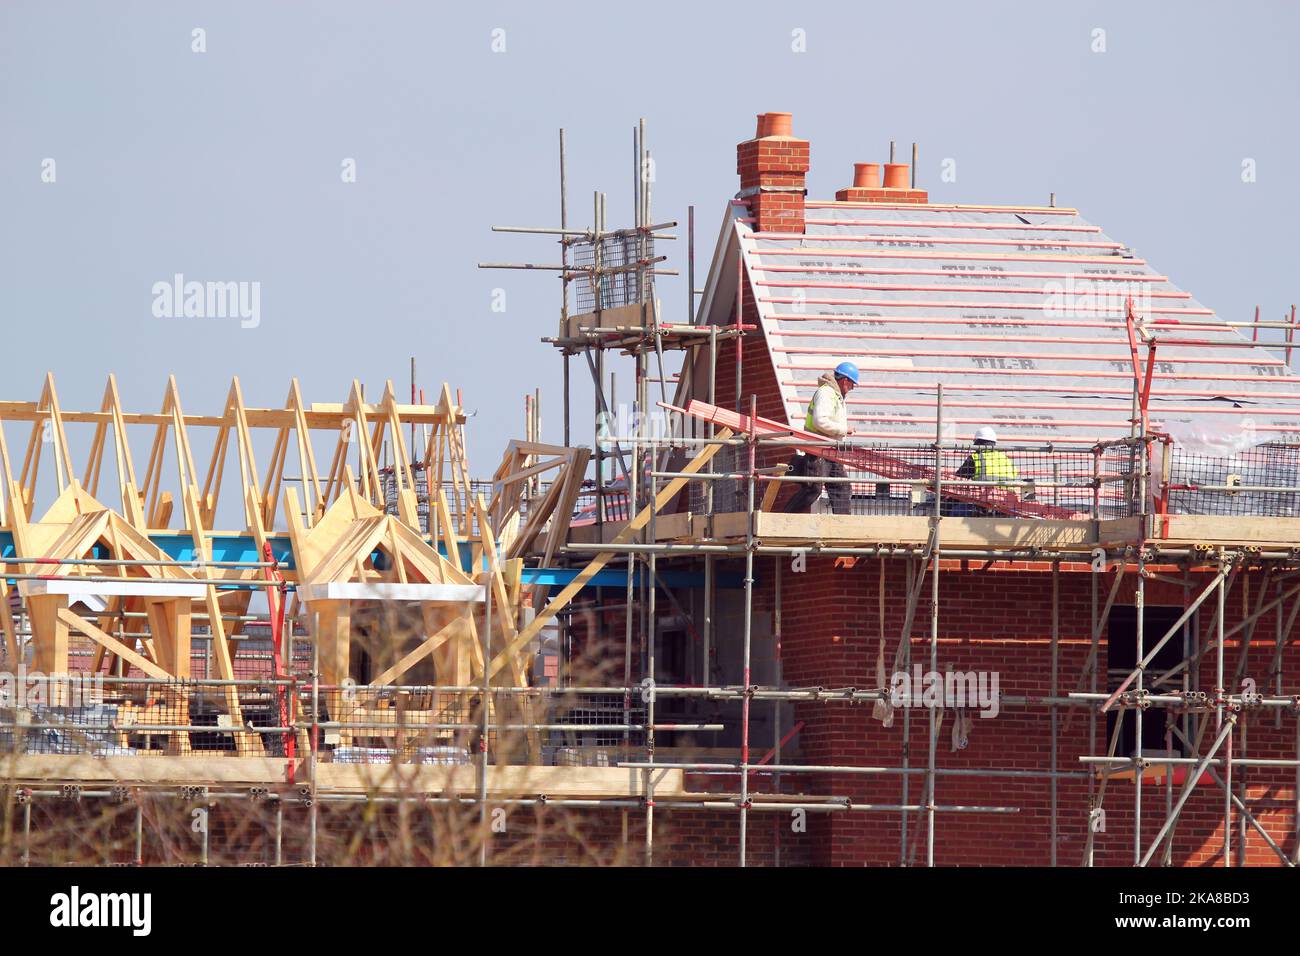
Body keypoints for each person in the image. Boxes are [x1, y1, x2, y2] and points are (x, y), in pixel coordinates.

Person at [783, 361, 858, 514]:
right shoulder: (826, 393)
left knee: (842, 489)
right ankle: (784, 519)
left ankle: (842, 529)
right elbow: (820, 421)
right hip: (818, 450)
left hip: (831, 451)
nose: (853, 388)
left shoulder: (835, 395)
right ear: (845, 381)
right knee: (813, 489)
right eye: (852, 384)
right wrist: (844, 430)